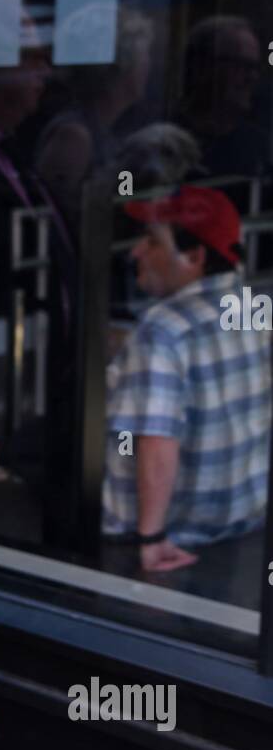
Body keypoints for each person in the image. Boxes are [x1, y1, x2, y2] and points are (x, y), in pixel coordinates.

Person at [102, 185, 271, 571]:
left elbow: (157, 439)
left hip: (174, 533)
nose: (135, 252)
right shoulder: (256, 309)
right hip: (242, 518)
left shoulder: (163, 330)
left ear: (194, 256)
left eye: (152, 241)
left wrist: (152, 537)